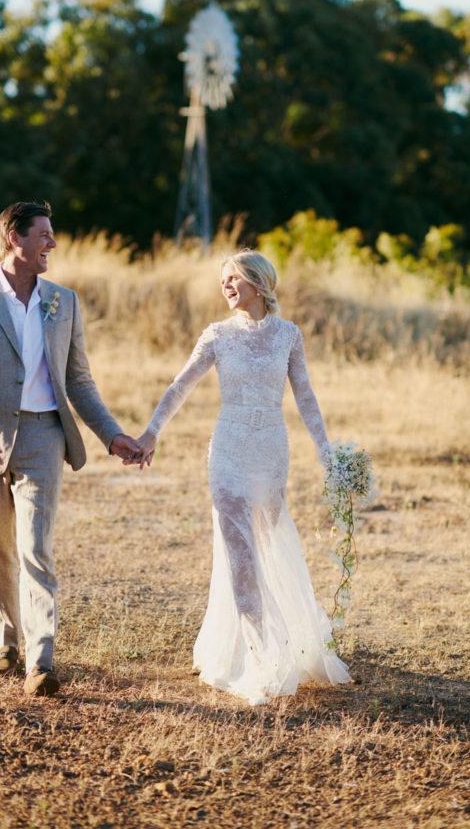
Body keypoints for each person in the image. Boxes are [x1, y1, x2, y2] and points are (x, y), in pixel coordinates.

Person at [0, 201, 142, 697]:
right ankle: (5, 640)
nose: (52, 243)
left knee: (36, 547)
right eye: (44, 234)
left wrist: (111, 433)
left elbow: (78, 380)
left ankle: (41, 660)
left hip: (45, 435)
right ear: (14, 237)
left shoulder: (62, 301)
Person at [132, 248, 351, 705]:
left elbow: (305, 396)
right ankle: (261, 660)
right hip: (228, 450)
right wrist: (152, 431)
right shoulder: (216, 335)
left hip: (271, 450)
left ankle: (293, 641)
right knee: (240, 555)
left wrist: (326, 450)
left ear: (258, 282)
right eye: (223, 280)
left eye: (233, 279)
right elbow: (180, 385)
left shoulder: (288, 336)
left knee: (267, 544)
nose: (226, 287)